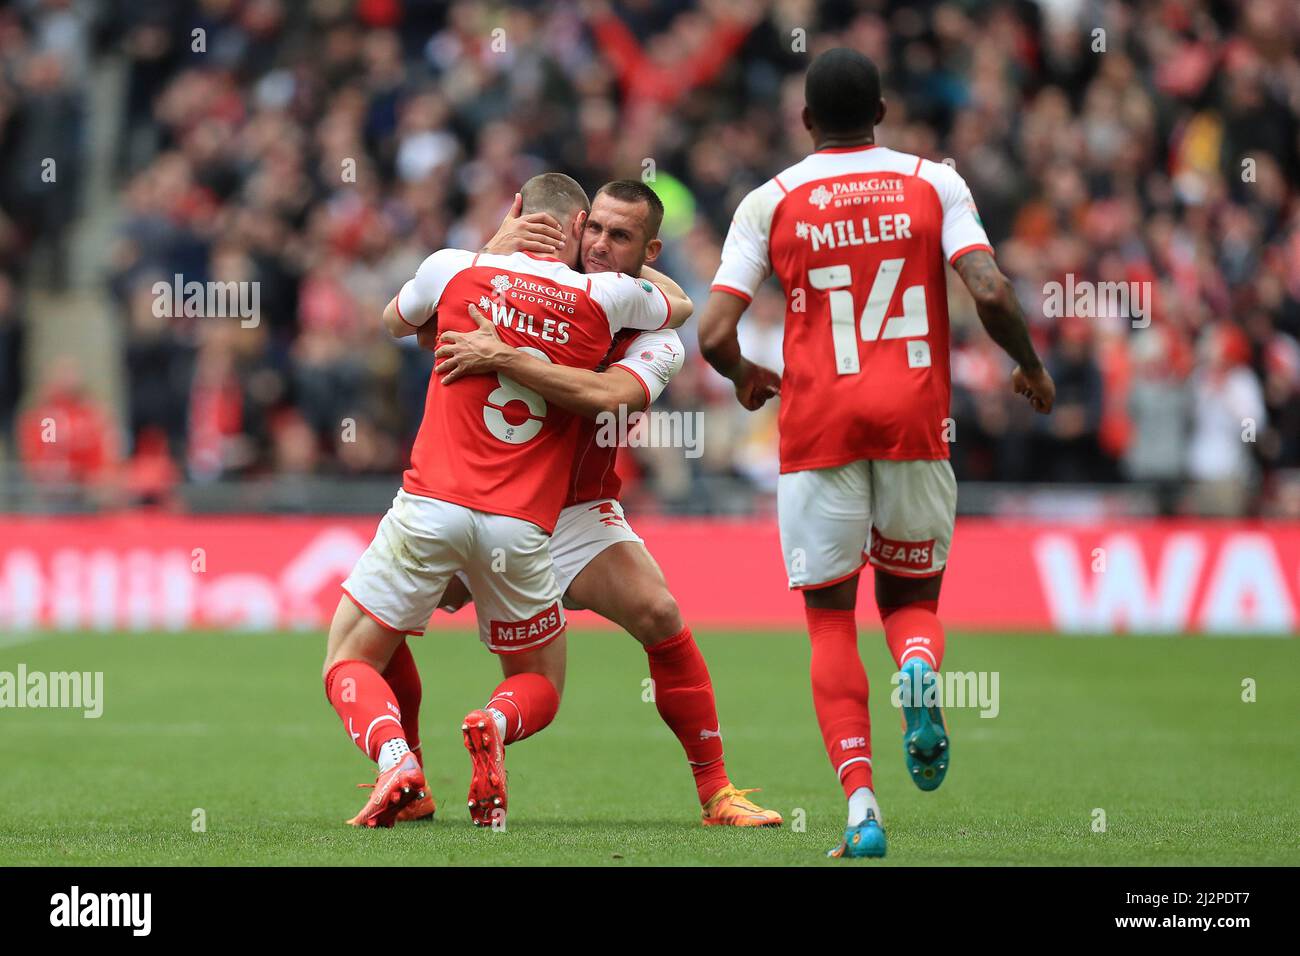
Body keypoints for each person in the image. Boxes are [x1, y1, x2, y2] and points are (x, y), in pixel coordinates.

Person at [697, 48, 1055, 858]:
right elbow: (991, 290)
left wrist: (750, 376)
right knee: (909, 601)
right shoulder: (936, 182)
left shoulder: (771, 199)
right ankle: (920, 668)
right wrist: (1028, 366)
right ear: (884, 111)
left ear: (805, 121)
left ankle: (862, 809)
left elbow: (714, 333)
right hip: (915, 423)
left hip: (818, 430)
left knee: (830, 621)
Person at [321, 172, 692, 828]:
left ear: (516, 211)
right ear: (580, 231)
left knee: (350, 658)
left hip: (431, 504)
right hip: (521, 527)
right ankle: (491, 722)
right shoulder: (606, 297)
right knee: (540, 680)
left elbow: (392, 323)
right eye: (596, 230)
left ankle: (396, 761)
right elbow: (680, 307)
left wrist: (487, 249)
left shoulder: (453, 268)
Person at [423, 180, 781, 827]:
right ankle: (402, 770)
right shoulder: (528, 281)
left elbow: (607, 399)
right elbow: (433, 318)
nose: (599, 246)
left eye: (621, 238)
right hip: (485, 500)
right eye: (595, 229)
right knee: (389, 615)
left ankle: (718, 794)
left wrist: (506, 356)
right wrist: (493, 247)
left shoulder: (658, 336)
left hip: (575, 514)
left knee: (660, 613)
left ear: (650, 249)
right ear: (578, 224)